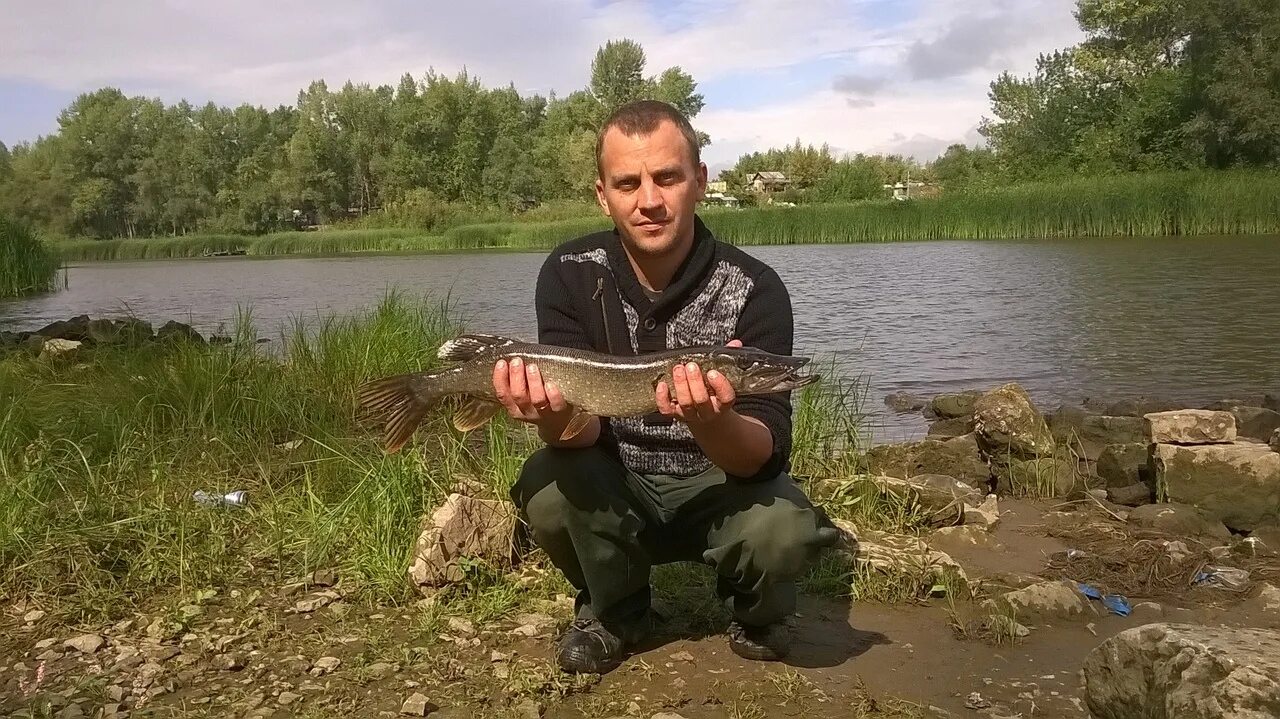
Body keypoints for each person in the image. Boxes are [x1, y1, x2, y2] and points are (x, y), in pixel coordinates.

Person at [490, 99, 838, 674]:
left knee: (785, 525)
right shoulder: (570, 272)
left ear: (699, 181)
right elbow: (578, 436)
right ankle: (615, 613)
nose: (649, 200)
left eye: (667, 177)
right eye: (628, 183)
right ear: (603, 195)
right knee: (548, 490)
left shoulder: (756, 287)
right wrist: (551, 415)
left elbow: (763, 456)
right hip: (615, 480)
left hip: (720, 489)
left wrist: (712, 420)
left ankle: (757, 613)